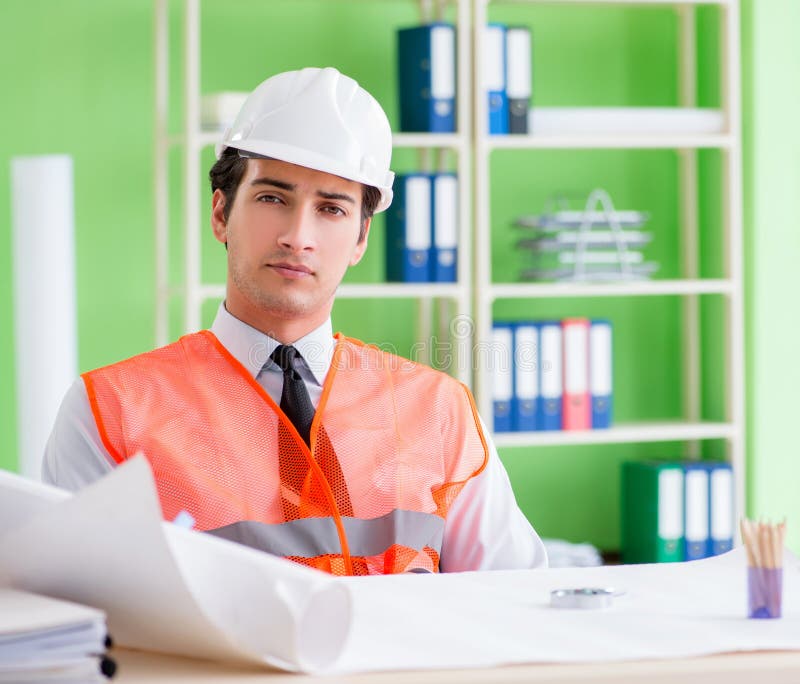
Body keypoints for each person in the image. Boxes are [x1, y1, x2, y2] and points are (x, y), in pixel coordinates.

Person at [43, 67, 547, 575]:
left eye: (331, 209)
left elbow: (517, 603)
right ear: (220, 213)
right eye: (272, 198)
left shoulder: (441, 413)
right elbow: (87, 620)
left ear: (360, 240)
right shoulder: (111, 415)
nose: (298, 235)